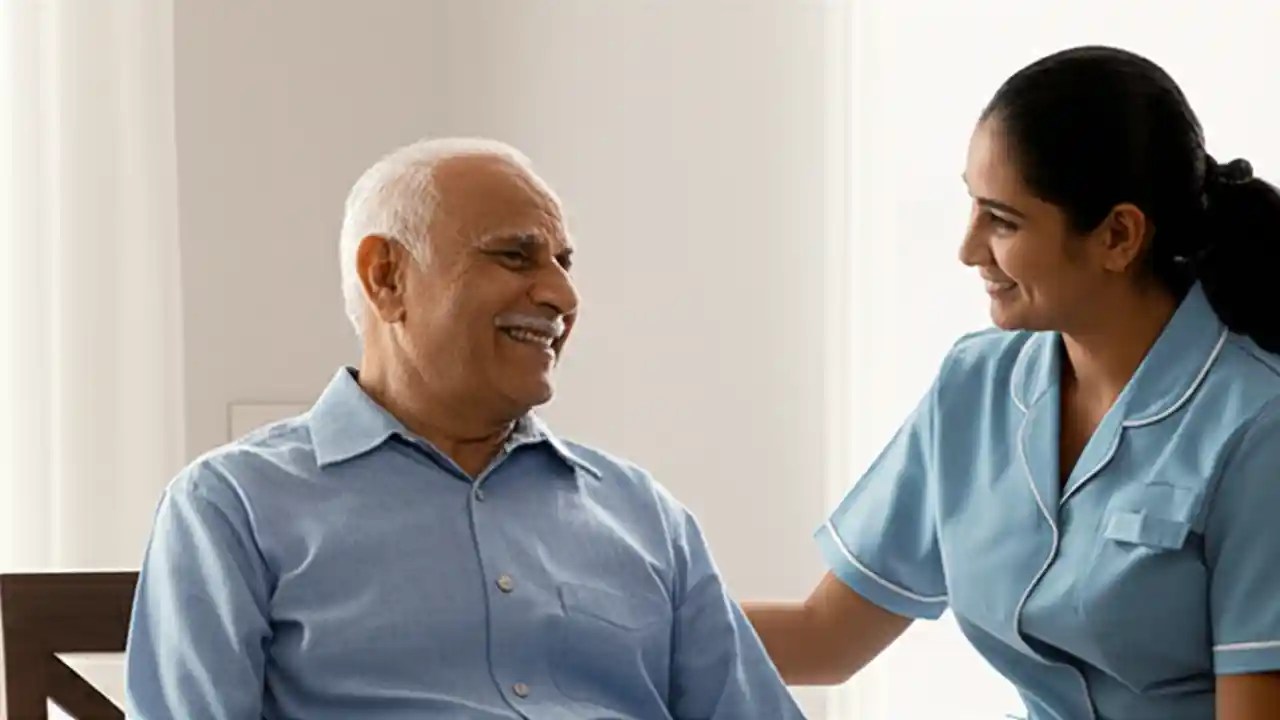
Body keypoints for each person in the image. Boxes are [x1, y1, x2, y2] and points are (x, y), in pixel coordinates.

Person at [125, 138, 804, 720]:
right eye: (516, 257)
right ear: (386, 277)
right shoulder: (231, 506)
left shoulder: (645, 516)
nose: (563, 298)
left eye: (564, 264)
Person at [746, 45, 1280, 719]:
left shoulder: (1260, 426)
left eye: (1002, 220)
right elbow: (826, 637)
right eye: (973, 206)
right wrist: (603, 623)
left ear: (1118, 235)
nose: (968, 249)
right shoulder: (975, 386)